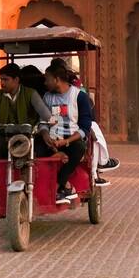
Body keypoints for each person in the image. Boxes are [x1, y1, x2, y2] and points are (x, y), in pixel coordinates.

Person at [0, 63, 52, 160]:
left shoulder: (31, 93)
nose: (2, 83)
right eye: (1, 79)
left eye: (5, 79)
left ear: (16, 80)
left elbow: (45, 113)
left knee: (41, 150)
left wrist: (52, 120)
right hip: (4, 136)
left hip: (29, 136)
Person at [41, 62, 86, 203]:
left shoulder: (79, 96)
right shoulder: (47, 97)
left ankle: (60, 183)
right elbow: (42, 122)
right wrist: (45, 135)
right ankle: (60, 185)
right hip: (51, 139)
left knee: (79, 148)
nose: (45, 83)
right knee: (33, 149)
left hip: (70, 140)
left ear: (56, 79)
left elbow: (85, 128)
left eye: (47, 79)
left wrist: (66, 141)